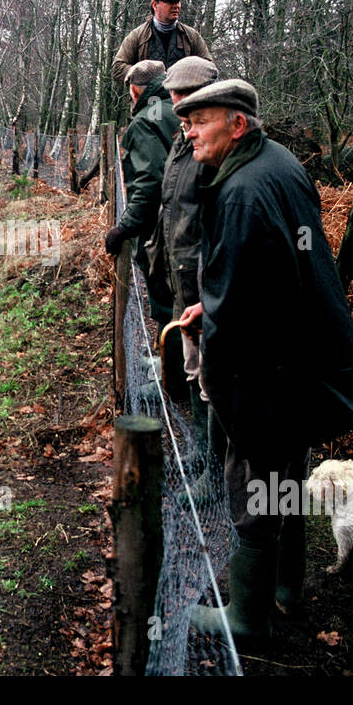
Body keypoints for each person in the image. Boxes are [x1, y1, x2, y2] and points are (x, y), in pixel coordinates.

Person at [175, 78, 353, 640]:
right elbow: (273, 270)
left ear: (237, 124)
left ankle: (245, 618)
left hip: (265, 372)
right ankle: (287, 589)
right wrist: (207, 312)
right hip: (301, 359)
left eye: (200, 120)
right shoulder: (279, 161)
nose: (189, 131)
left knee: (253, 485)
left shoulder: (239, 192)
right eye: (186, 121)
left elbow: (239, 305)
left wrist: (219, 365)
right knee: (289, 472)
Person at [148, 56, 219, 440]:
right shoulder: (183, 139)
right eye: (173, 93)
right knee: (193, 363)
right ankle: (199, 449)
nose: (175, 101)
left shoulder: (211, 147)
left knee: (209, 370)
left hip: (201, 272)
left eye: (183, 94)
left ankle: (212, 468)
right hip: (180, 269)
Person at [103, 60, 178, 324]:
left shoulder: (145, 123)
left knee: (168, 310)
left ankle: (170, 362)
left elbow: (149, 187)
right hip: (194, 228)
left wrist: (122, 229)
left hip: (162, 234)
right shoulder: (185, 111)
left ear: (135, 91)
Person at [110, 0, 213, 92]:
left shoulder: (191, 36)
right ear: (154, 5)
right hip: (148, 104)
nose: (176, 6)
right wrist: (145, 73)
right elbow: (117, 69)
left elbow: (210, 69)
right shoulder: (137, 36)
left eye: (178, 1)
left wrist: (186, 74)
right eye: (170, 1)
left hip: (182, 103)